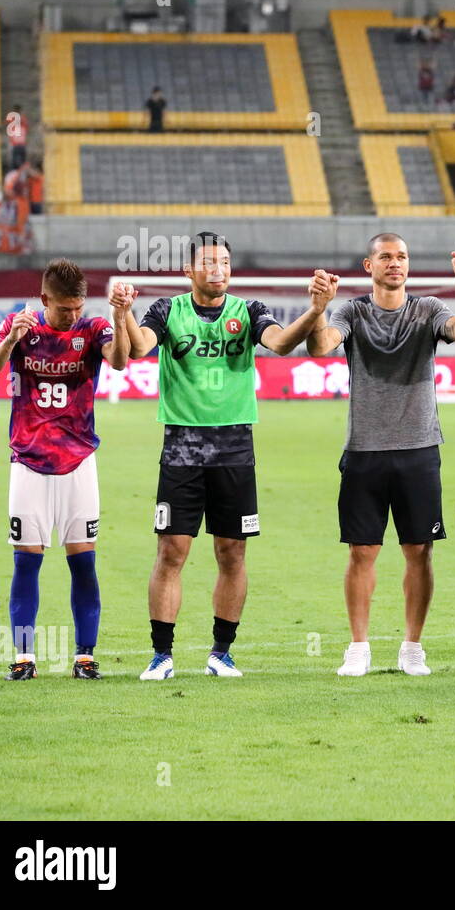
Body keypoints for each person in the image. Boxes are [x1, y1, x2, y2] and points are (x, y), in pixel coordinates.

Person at [115, 232, 330, 680]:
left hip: (235, 449)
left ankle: (221, 653)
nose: (219, 270)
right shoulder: (166, 310)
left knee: (232, 553)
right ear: (188, 270)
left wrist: (314, 309)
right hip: (182, 448)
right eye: (210, 262)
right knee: (171, 551)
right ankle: (162, 656)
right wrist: (124, 314)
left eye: (226, 262)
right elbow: (137, 348)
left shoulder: (249, 311)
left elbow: (282, 343)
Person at [305, 233, 455, 677]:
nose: (394, 263)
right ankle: (358, 647)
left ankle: (412, 647)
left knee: (419, 551)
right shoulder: (353, 312)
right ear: (369, 265)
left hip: (419, 449)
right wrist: (320, 306)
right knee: (362, 552)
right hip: (364, 450)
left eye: (401, 257)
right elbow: (321, 346)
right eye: (386, 257)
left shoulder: (428, 310)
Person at [0, 261, 130, 680]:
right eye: (65, 309)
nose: (73, 316)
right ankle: (25, 657)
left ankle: (85, 656)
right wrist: (11, 339)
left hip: (79, 462)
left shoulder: (94, 328)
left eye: (78, 307)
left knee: (83, 562)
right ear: (45, 299)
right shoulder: (20, 325)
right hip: (28, 461)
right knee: (26, 562)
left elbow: (118, 362)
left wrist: (119, 317)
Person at [5, 104, 28, 171]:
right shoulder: (12, 119)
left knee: (21, 160)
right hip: (15, 143)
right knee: (13, 161)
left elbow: (26, 129)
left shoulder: (23, 119)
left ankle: (21, 173)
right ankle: (14, 172)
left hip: (21, 143)